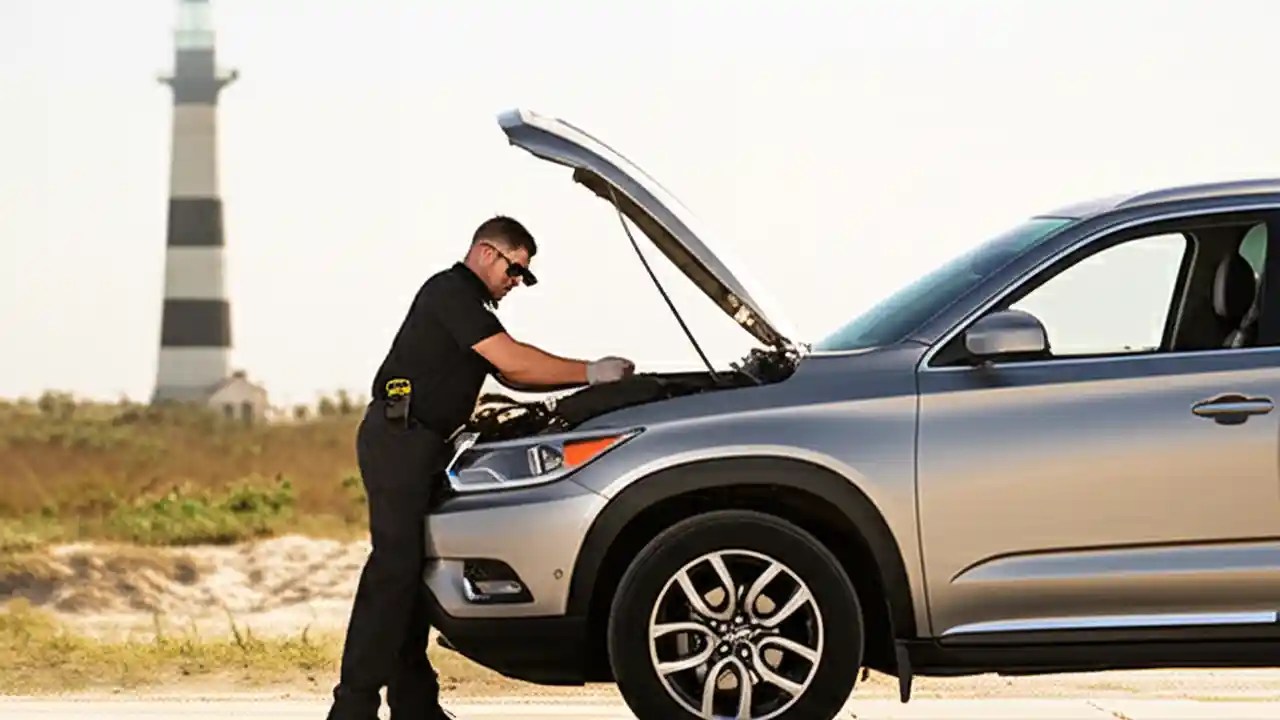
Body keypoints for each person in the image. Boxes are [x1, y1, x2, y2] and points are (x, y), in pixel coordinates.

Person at [326, 216, 635, 720]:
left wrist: (586, 386)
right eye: (517, 271)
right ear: (489, 252)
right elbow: (514, 363)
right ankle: (352, 708)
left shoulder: (472, 305)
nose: (517, 283)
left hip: (422, 444)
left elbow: (517, 379)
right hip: (399, 439)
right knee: (392, 571)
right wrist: (590, 371)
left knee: (410, 573)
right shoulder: (451, 293)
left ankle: (414, 705)